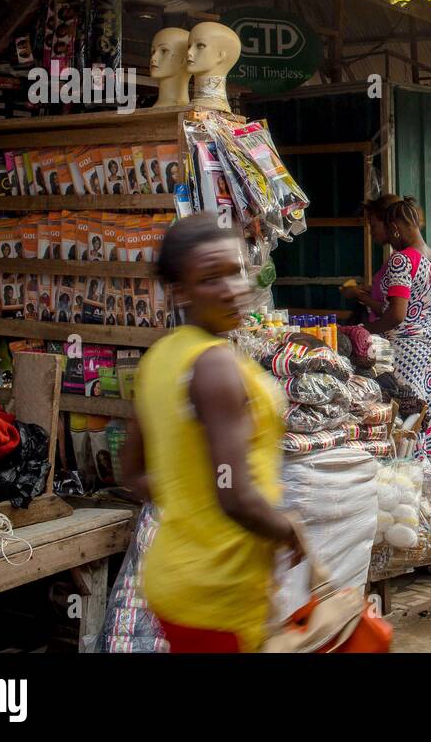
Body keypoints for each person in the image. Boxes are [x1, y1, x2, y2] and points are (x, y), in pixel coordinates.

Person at [120, 213, 304, 653]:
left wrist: (191, 497)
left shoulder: (161, 357)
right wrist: (288, 530)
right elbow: (234, 493)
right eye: (210, 279)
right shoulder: (216, 364)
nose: (232, 289)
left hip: (172, 576)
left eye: (237, 271)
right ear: (180, 291)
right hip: (219, 590)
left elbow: (132, 472)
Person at [367, 196, 431, 463]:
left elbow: (396, 315)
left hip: (405, 349)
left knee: (407, 414)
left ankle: (411, 473)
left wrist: (364, 329)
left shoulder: (401, 261)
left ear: (395, 227)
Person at [343, 193, 403, 320]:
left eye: (373, 225)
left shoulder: (400, 262)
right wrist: (369, 290)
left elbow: (393, 314)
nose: (371, 232)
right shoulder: (398, 258)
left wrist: (360, 296)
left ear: (389, 224)